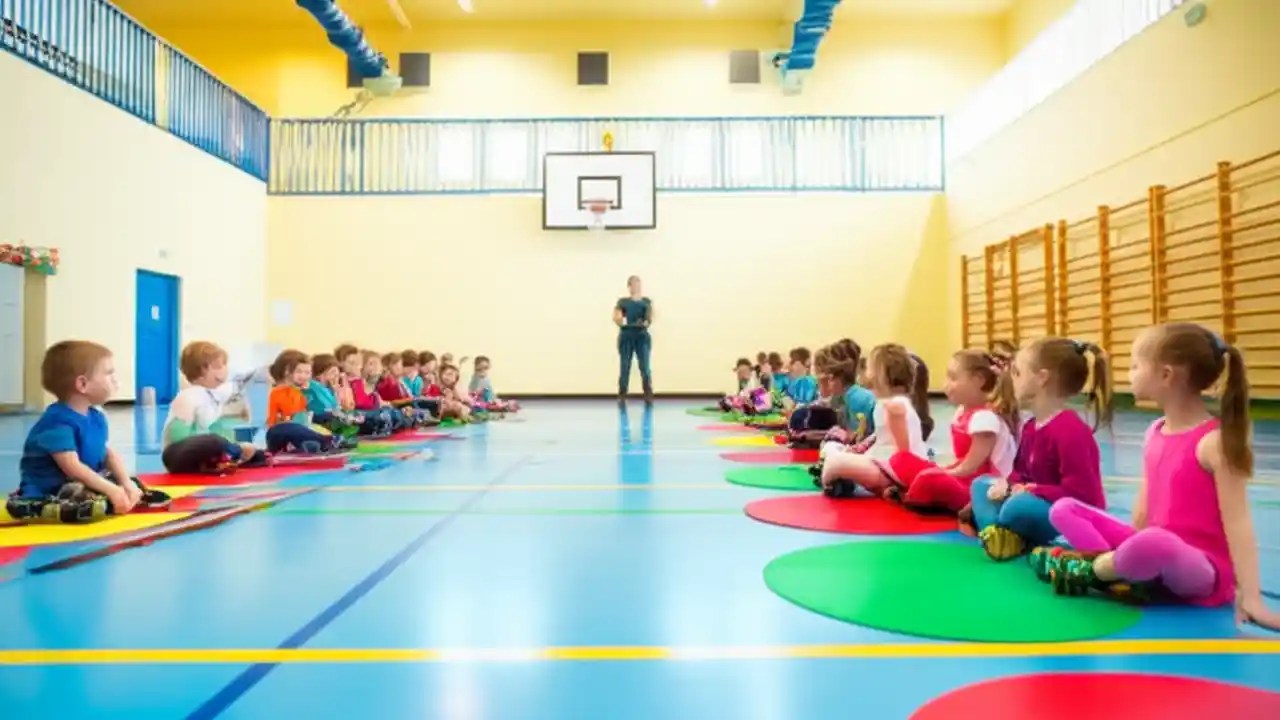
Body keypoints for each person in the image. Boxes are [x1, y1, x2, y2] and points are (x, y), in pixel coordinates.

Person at [1033, 324, 1280, 630]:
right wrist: (1131, 545)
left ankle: (1090, 571)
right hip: (1150, 548)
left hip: (1199, 568)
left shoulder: (1213, 443)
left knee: (1156, 542)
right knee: (1064, 509)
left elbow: (1239, 523)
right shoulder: (1154, 431)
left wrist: (1252, 598)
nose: (1130, 374)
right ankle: (1120, 573)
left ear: (1165, 375)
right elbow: (1143, 509)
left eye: (1135, 366)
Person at [964, 338, 1111, 560]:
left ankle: (1007, 536)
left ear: (1042, 378)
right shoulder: (1031, 427)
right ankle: (1001, 537)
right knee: (981, 485)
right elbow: (1020, 472)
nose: (1011, 379)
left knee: (1018, 506)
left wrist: (1030, 490)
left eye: (1018, 373)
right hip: (1033, 500)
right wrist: (1007, 484)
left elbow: (1083, 495)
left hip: (1062, 510)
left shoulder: (1070, 430)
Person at [6, 341, 168, 523]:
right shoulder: (57, 422)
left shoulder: (96, 417)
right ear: (83, 384)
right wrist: (112, 490)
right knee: (80, 499)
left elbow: (107, 454)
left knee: (125, 483)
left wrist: (126, 483)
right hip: (52, 489)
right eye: (109, 373)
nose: (115, 380)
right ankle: (37, 507)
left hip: (84, 481)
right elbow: (72, 467)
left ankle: (113, 497)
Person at [885, 348, 1020, 514]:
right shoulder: (962, 412)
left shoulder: (985, 419)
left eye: (953, 378)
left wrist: (941, 472)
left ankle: (911, 494)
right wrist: (941, 469)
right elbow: (960, 462)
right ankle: (918, 492)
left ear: (978, 380)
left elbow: (970, 467)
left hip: (982, 489)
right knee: (901, 459)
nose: (946, 385)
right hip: (964, 479)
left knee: (929, 478)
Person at [820, 343, 929, 497]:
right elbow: (881, 437)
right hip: (885, 466)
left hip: (892, 473)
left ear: (880, 376)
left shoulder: (894, 407)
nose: (866, 374)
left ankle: (834, 481)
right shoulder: (888, 403)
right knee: (832, 448)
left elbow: (904, 456)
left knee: (834, 462)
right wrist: (858, 450)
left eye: (869, 369)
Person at [160, 341, 264, 473]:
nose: (224, 370)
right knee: (215, 441)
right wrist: (226, 447)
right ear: (200, 371)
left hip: (203, 452)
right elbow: (176, 434)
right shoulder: (188, 397)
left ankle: (228, 458)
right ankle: (229, 455)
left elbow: (218, 429)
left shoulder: (212, 397)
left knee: (252, 452)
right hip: (178, 455)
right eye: (217, 366)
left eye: (224, 365)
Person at [613, 275, 654, 404]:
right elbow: (617, 317)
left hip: (641, 336)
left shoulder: (646, 302)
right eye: (633, 284)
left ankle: (648, 394)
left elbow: (650, 318)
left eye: (638, 284)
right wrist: (621, 320)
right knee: (625, 366)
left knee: (645, 367)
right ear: (629, 286)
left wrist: (645, 321)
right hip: (626, 336)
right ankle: (622, 395)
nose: (636, 287)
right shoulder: (623, 302)